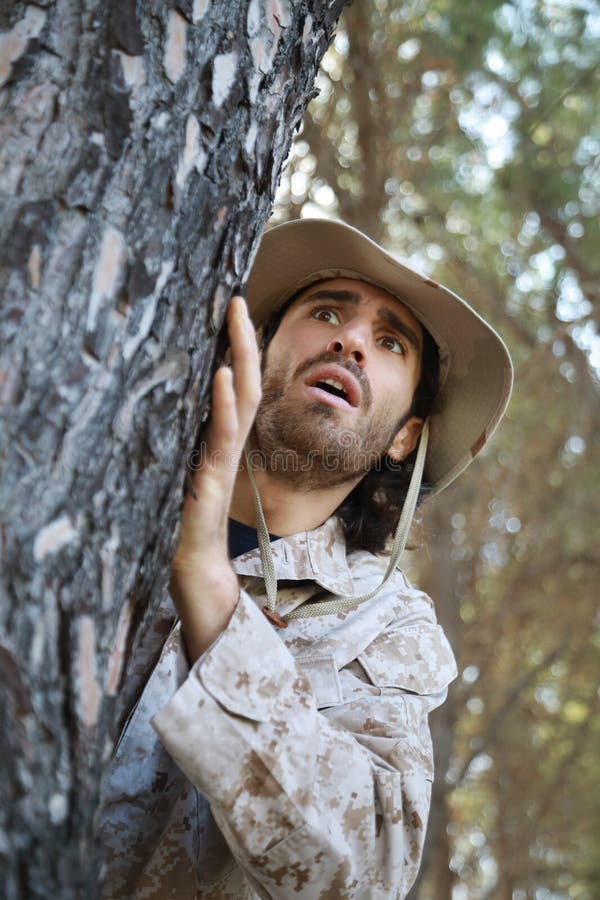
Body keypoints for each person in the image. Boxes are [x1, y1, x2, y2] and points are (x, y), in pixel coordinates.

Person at [98, 219, 513, 899]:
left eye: (389, 343)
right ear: (256, 352)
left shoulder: (390, 628)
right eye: (327, 313)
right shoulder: (105, 465)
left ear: (407, 437)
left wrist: (212, 593)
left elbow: (367, 871)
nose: (350, 341)